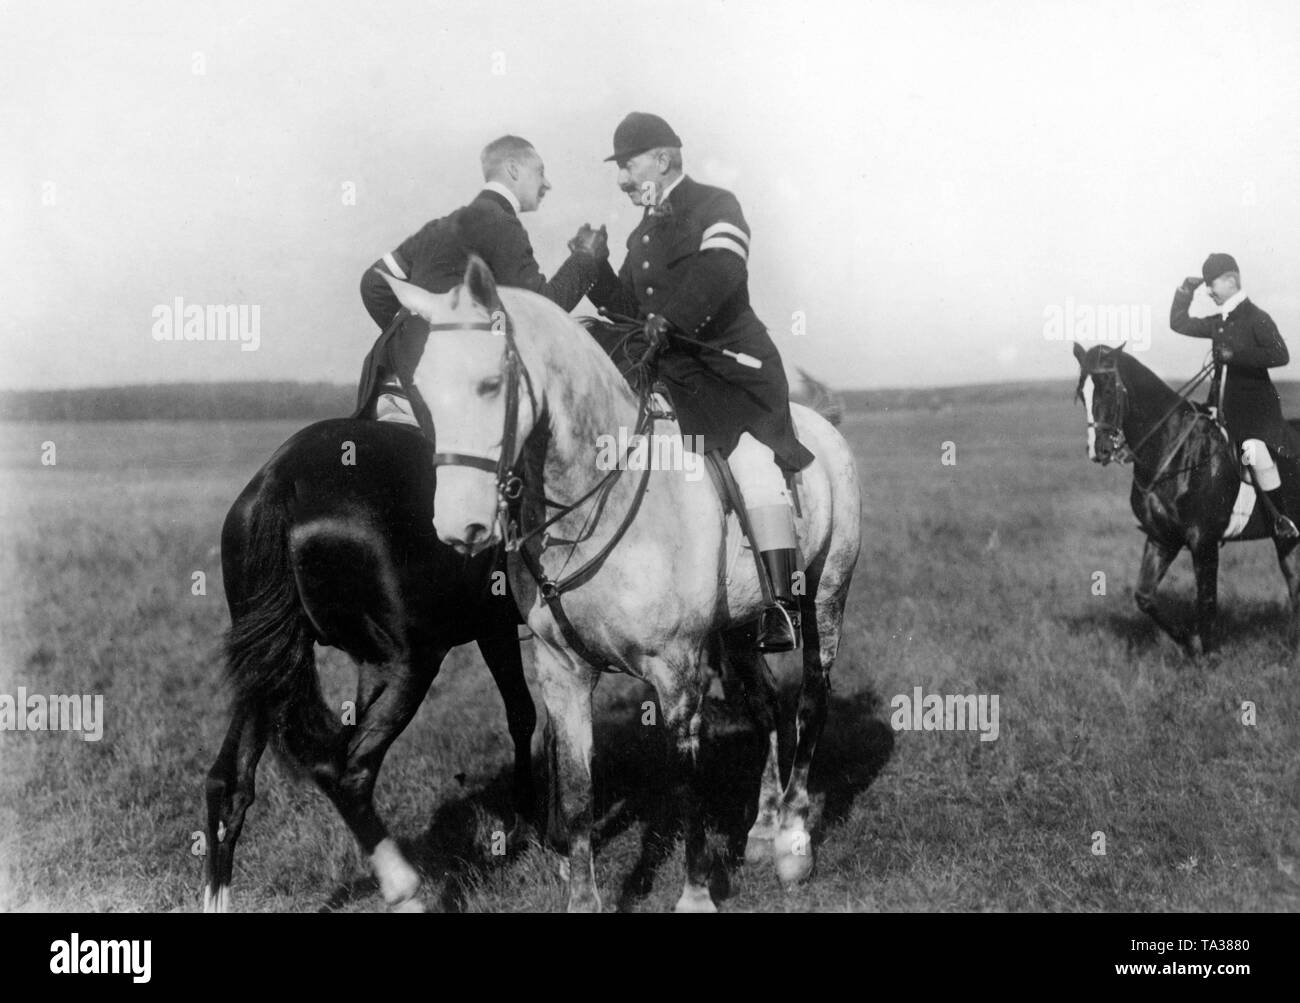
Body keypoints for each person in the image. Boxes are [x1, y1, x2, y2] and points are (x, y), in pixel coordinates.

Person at [582, 112, 814, 652]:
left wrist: (674, 320)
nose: (621, 179)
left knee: (752, 466)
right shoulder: (642, 232)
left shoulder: (717, 205)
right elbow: (633, 314)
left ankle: (783, 605)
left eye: (628, 165)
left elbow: (721, 272)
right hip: (672, 375)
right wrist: (595, 270)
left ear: (661, 161)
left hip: (731, 372)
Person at [355, 135, 605, 422]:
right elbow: (543, 308)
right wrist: (586, 258)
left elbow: (374, 284)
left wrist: (415, 335)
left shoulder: (439, 226)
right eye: (540, 172)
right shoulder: (503, 224)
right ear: (513, 169)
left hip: (388, 373)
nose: (547, 184)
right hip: (447, 387)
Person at [1171, 252, 1300, 538]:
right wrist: (1185, 291)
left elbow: (1281, 354)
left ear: (1230, 280)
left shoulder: (1258, 318)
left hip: (1255, 416)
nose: (1208, 291)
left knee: (1256, 453)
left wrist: (1236, 355)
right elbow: (1179, 323)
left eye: (1211, 284)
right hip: (1221, 411)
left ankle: (1282, 520)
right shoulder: (1219, 321)